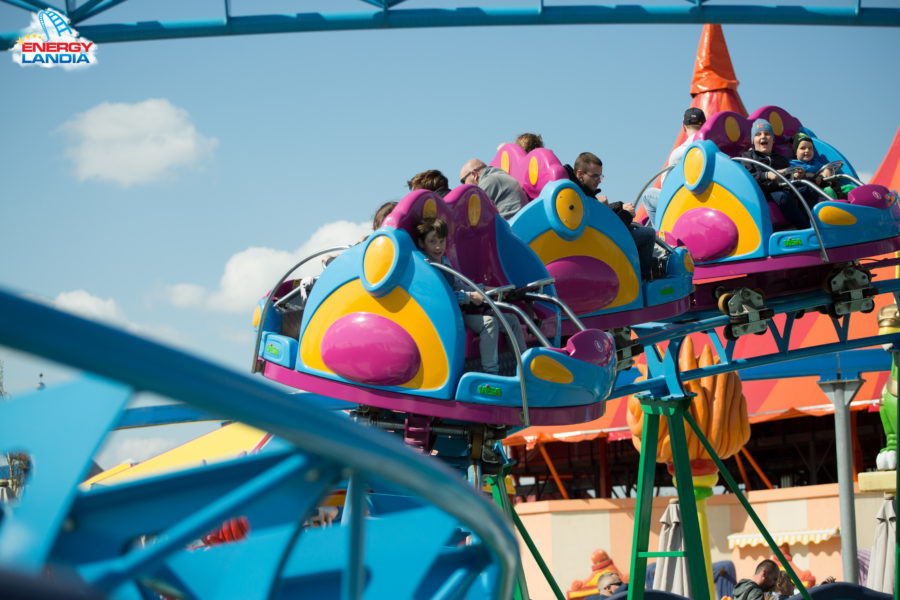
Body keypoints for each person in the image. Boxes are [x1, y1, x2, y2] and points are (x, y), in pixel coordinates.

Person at [415, 217, 526, 374]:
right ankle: (491, 373)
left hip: (460, 313)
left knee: (511, 320)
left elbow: (461, 285)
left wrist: (485, 289)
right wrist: (468, 297)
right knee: (489, 322)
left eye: (441, 240)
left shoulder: (445, 262)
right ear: (422, 243)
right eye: (432, 241)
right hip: (448, 318)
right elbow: (441, 297)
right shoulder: (427, 267)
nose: (438, 246)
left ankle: (525, 368)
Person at [565, 152, 661, 280]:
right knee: (648, 234)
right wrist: (627, 214)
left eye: (600, 176)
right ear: (580, 174)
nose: (598, 181)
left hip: (598, 242)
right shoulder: (580, 196)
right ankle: (641, 281)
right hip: (600, 247)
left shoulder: (577, 191)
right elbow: (610, 231)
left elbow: (599, 215)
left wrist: (619, 206)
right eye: (594, 176)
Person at [741, 119, 819, 229]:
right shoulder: (747, 157)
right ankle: (804, 227)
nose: (763, 137)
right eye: (758, 134)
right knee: (783, 196)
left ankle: (812, 223)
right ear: (753, 140)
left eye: (767, 134)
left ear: (772, 140)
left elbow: (787, 176)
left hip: (783, 187)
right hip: (763, 192)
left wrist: (796, 176)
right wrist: (767, 175)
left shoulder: (780, 160)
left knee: (809, 190)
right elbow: (748, 178)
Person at [640, 107, 707, 227]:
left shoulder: (680, 152)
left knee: (648, 195)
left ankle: (661, 234)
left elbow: (667, 187)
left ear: (684, 126)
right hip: (705, 198)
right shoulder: (711, 147)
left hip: (683, 202)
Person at [458, 158, 528, 220]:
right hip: (519, 223)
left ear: (474, 174)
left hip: (512, 228)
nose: (464, 185)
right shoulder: (497, 175)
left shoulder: (488, 181)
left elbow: (469, 213)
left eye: (463, 181)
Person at [789, 133, 838, 199]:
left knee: (849, 187)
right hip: (807, 191)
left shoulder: (815, 162)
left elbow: (823, 169)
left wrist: (826, 171)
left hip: (821, 187)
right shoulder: (792, 164)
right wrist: (808, 176)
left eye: (810, 148)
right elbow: (793, 176)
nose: (807, 151)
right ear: (795, 151)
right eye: (803, 148)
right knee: (828, 191)